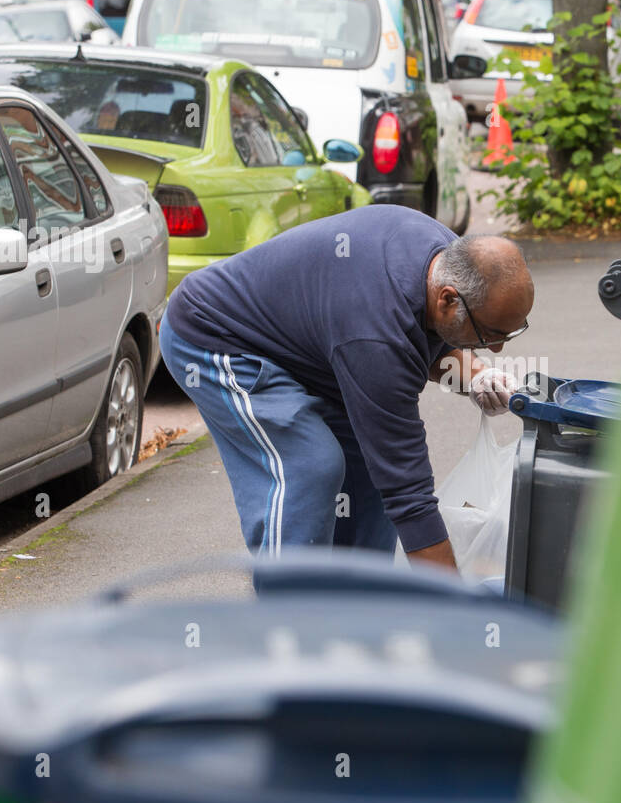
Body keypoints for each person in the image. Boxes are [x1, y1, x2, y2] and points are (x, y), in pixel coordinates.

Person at [159, 204, 532, 574]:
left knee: (369, 474)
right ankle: (287, 618)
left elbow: (428, 336)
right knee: (309, 465)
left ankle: (357, 606)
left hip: (318, 346)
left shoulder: (447, 259)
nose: (497, 348)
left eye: (510, 332)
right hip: (218, 339)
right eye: (491, 334)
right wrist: (455, 606)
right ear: (448, 298)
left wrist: (477, 374)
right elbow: (409, 494)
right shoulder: (375, 338)